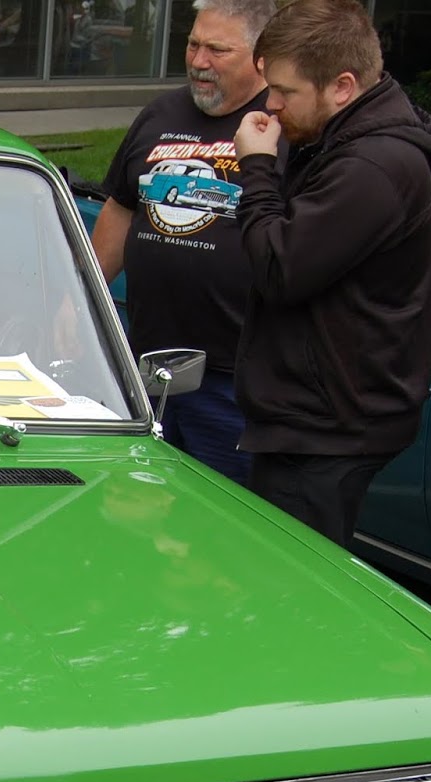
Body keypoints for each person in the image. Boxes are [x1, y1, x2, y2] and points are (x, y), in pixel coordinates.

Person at [230, 0, 431, 547]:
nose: (272, 105)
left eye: (285, 91)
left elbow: (280, 267)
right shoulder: (344, 142)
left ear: (343, 87)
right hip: (321, 417)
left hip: (327, 428)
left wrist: (257, 166)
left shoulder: (371, 167)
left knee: (285, 587)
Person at [92, 0, 278, 485]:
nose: (198, 61)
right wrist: (80, 298)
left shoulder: (279, 127)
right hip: (143, 367)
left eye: (218, 49)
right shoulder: (161, 114)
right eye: (193, 44)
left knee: (218, 523)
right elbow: (121, 207)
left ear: (262, 58)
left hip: (230, 382)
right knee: (132, 503)